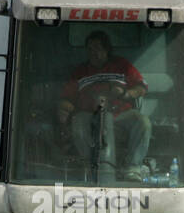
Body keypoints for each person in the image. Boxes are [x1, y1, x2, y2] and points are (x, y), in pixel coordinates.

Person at [60, 30, 152, 180]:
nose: (93, 52)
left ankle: (132, 168)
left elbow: (142, 87)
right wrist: (63, 113)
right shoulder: (80, 71)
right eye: (90, 49)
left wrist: (125, 94)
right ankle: (89, 166)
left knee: (143, 122)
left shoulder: (122, 66)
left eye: (97, 48)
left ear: (107, 49)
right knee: (77, 122)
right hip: (90, 116)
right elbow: (67, 98)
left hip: (120, 115)